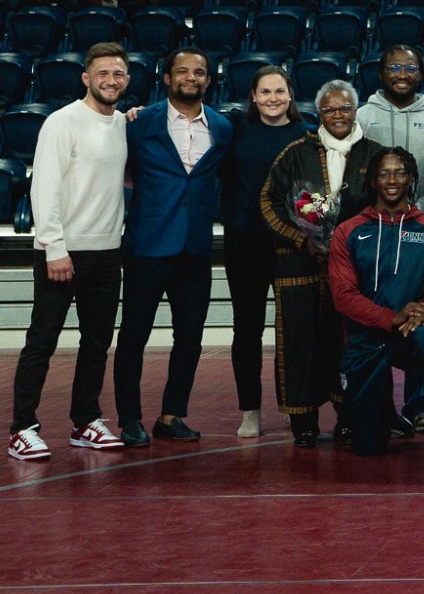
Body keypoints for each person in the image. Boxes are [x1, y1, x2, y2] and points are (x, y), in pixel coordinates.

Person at [7, 43, 129, 462]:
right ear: (86, 78)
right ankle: (22, 428)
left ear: (127, 80)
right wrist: (54, 247)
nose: (110, 80)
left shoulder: (120, 125)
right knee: (42, 341)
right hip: (62, 253)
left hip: (107, 253)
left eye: (118, 74)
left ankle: (85, 420)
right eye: (103, 73)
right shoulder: (62, 122)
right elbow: (45, 188)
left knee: (96, 343)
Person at [111, 48, 235, 447]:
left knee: (190, 338)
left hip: (196, 247)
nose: (191, 77)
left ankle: (171, 414)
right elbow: (122, 172)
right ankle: (130, 419)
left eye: (199, 72)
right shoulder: (137, 122)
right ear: (167, 78)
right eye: (182, 71)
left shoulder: (222, 127)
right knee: (133, 336)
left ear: (208, 81)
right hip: (147, 244)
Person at [261, 80, 381, 445]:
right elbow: (269, 202)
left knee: (348, 343)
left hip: (355, 269)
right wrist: (302, 240)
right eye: (329, 110)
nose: (337, 115)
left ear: (355, 110)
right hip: (298, 265)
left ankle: (349, 415)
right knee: (300, 342)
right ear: (319, 113)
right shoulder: (295, 153)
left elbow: (386, 204)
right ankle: (304, 421)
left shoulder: (375, 154)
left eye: (344, 108)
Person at [326, 149, 424, 472]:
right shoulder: (350, 231)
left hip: (411, 333)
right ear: (373, 180)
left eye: (400, 172)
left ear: (411, 178)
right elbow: (343, 296)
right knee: (367, 447)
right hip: (366, 337)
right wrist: (390, 317)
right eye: (384, 173)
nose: (392, 180)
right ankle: (382, 414)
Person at [221, 65, 310, 438]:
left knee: (293, 329)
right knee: (247, 328)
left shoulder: (307, 133)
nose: (273, 98)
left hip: (292, 241)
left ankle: (293, 402)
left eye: (279, 91)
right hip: (245, 240)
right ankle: (250, 409)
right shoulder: (236, 128)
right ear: (253, 97)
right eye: (265, 92)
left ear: (290, 95)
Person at [357, 45, 424, 215]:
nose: (402, 75)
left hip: (423, 220)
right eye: (394, 68)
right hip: (369, 219)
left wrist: (420, 208)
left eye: (410, 68)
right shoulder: (359, 119)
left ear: (420, 75)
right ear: (381, 74)